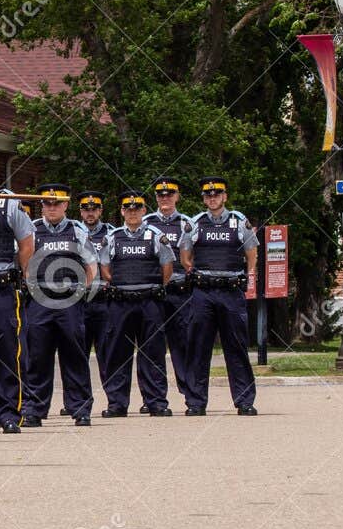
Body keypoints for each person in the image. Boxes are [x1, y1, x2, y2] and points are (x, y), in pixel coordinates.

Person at [20, 183, 98, 428]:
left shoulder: (78, 231)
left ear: (66, 204)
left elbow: (91, 265)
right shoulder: (31, 230)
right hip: (39, 300)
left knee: (74, 354)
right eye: (47, 203)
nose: (51, 208)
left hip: (69, 302)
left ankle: (80, 409)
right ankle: (34, 409)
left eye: (56, 203)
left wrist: (82, 290)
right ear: (41, 205)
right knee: (37, 356)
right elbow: (22, 260)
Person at [181, 176, 259, 416]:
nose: (212, 198)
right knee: (198, 347)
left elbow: (251, 252)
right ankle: (196, 403)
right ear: (204, 198)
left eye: (216, 194)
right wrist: (196, 274)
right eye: (208, 195)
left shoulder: (238, 221)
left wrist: (248, 275)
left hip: (231, 291)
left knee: (236, 347)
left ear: (225, 196)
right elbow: (185, 255)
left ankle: (244, 401)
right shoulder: (195, 223)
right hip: (203, 292)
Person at [98, 189, 175, 417]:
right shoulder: (112, 237)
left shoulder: (156, 235)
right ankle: (117, 404)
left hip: (149, 302)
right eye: (128, 209)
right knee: (117, 354)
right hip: (120, 303)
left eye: (137, 208)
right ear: (122, 211)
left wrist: (150, 286)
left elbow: (167, 268)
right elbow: (105, 268)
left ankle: (156, 403)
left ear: (143, 210)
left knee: (153, 353)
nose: (132, 212)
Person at [0, 153, 33, 433]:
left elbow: (26, 243)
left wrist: (21, 275)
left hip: (2, 285)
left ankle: (8, 412)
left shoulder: (8, 201)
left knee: (7, 351)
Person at [143, 176, 196, 413]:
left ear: (177, 196)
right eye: (161, 195)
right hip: (153, 294)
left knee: (184, 345)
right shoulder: (145, 223)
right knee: (151, 347)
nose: (165, 198)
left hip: (180, 292)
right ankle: (152, 398)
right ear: (156, 198)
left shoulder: (188, 223)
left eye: (169, 194)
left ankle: (191, 397)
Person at [76, 190, 114, 378]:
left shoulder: (112, 234)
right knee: (77, 354)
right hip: (80, 301)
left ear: (100, 211)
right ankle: (79, 402)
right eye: (86, 209)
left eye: (94, 209)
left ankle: (114, 402)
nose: (90, 213)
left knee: (107, 354)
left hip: (104, 301)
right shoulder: (73, 232)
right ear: (80, 211)